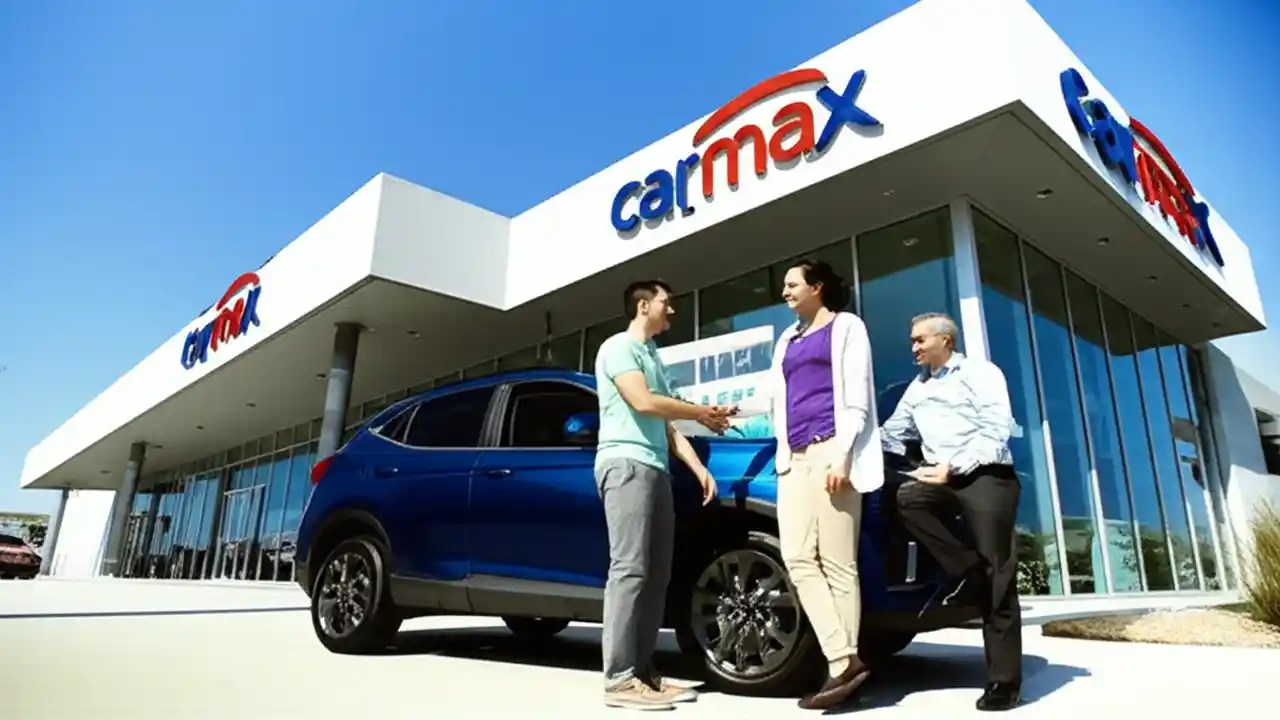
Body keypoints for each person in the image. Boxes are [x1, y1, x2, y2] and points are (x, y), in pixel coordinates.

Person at [734, 259, 883, 711]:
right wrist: (725, 413)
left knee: (838, 563)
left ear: (817, 287)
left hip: (833, 450)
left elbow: (857, 397)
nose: (784, 292)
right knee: (798, 557)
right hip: (794, 458)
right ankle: (845, 659)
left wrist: (844, 455)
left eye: (792, 284)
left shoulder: (847, 327)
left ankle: (841, 668)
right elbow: (770, 394)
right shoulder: (788, 339)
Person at [594, 279, 737, 711]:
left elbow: (667, 424)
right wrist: (701, 412)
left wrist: (698, 467)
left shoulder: (652, 356)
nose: (671, 311)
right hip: (626, 464)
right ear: (643, 306)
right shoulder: (618, 347)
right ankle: (619, 679)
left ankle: (643, 673)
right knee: (630, 570)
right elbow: (643, 402)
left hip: (655, 468)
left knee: (657, 574)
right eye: (665, 303)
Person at [880, 312, 1022, 712]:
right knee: (907, 498)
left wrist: (953, 468)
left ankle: (1004, 682)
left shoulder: (980, 372)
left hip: (985, 474)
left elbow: (996, 429)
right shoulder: (918, 388)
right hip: (939, 479)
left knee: (999, 572)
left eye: (919, 340)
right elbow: (894, 433)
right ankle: (967, 571)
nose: (913, 347)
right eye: (912, 340)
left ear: (945, 340)